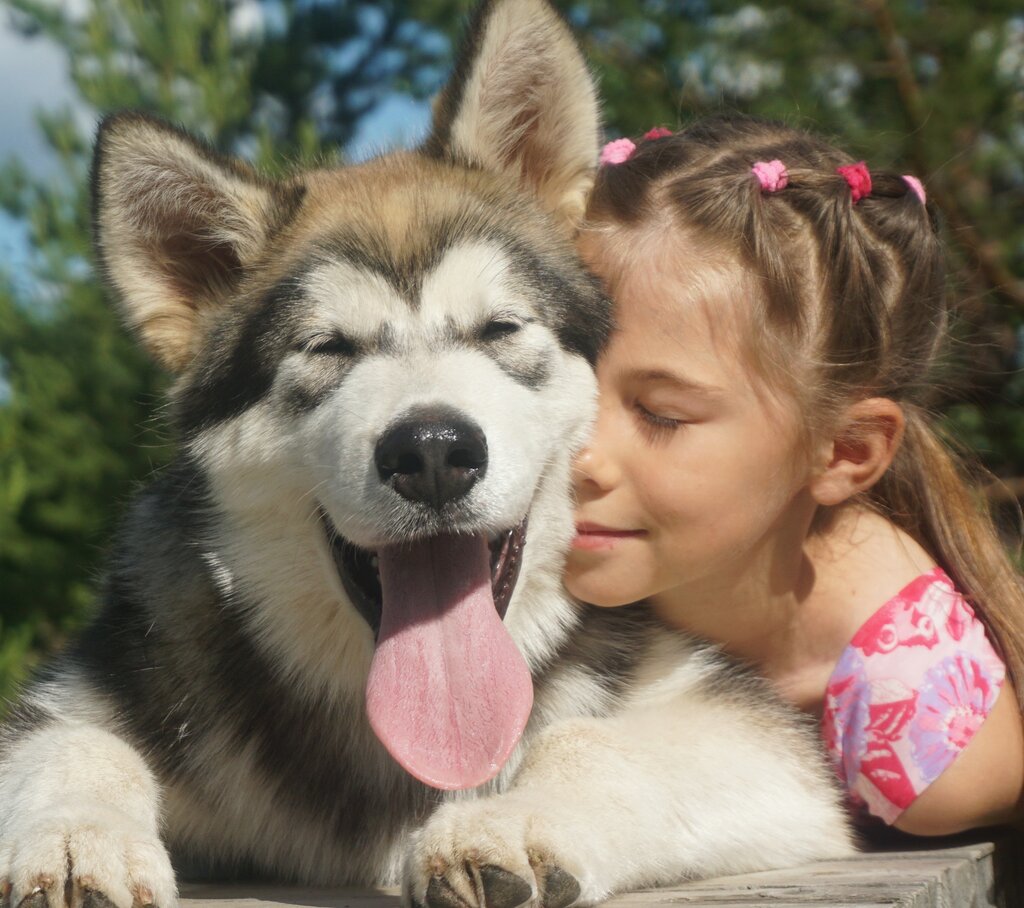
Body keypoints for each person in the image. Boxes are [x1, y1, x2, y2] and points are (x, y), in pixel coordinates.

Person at [565, 115, 1024, 835]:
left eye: (661, 414)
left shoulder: (921, 749)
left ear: (842, 452)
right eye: (570, 383)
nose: (580, 454)